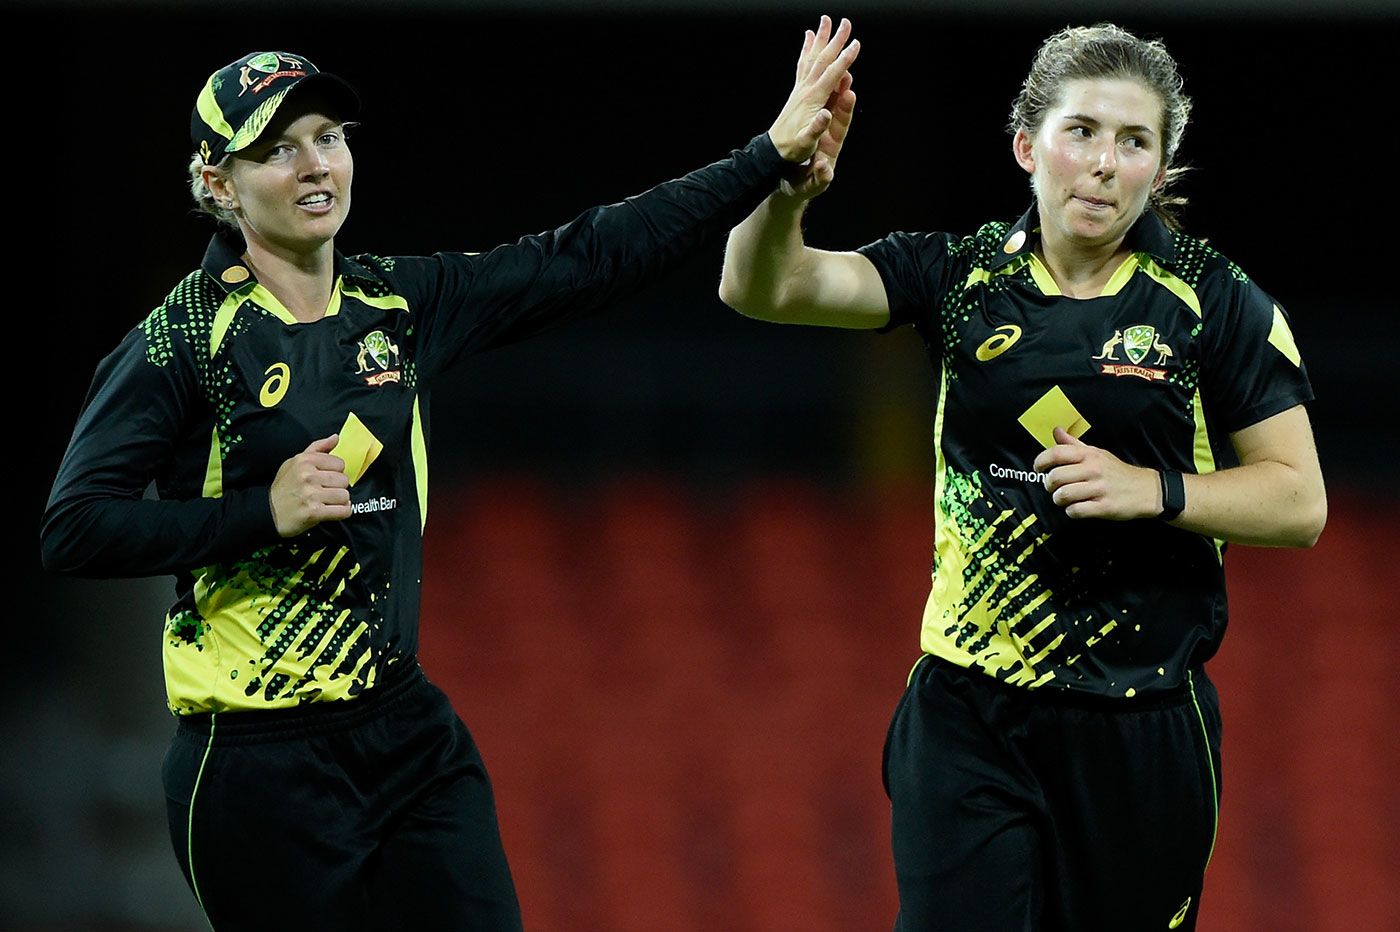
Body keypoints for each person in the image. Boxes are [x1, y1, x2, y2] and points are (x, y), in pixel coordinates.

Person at [40, 20, 859, 930]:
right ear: (216, 183)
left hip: (405, 735)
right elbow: (72, 528)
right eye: (276, 149)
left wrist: (765, 159)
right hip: (255, 763)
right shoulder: (180, 341)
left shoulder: (398, 301)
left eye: (329, 139)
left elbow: (589, 256)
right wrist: (258, 512)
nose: (316, 166)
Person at [719, 21, 1325, 932]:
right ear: (1025, 145)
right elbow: (760, 288)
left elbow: (1299, 501)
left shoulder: (1216, 301)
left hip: (1141, 718)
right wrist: (784, 182)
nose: (1104, 164)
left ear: (1159, 170)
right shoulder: (956, 276)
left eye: (1134, 142)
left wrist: (1152, 491)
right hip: (970, 709)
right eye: (1080, 131)